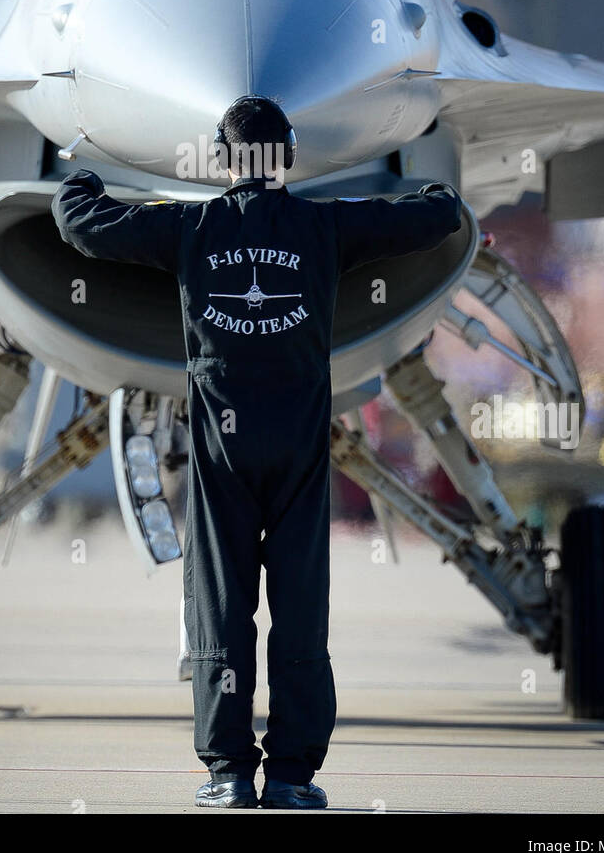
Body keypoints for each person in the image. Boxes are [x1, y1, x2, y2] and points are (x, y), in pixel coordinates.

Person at [51, 96, 461, 809]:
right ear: (290, 155)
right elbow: (436, 216)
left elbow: (84, 226)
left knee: (221, 606)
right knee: (301, 610)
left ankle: (229, 774)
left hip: (223, 448)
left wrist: (80, 170)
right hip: (300, 448)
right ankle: (295, 778)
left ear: (220, 159)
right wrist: (434, 177)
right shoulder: (325, 227)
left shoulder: (190, 227)